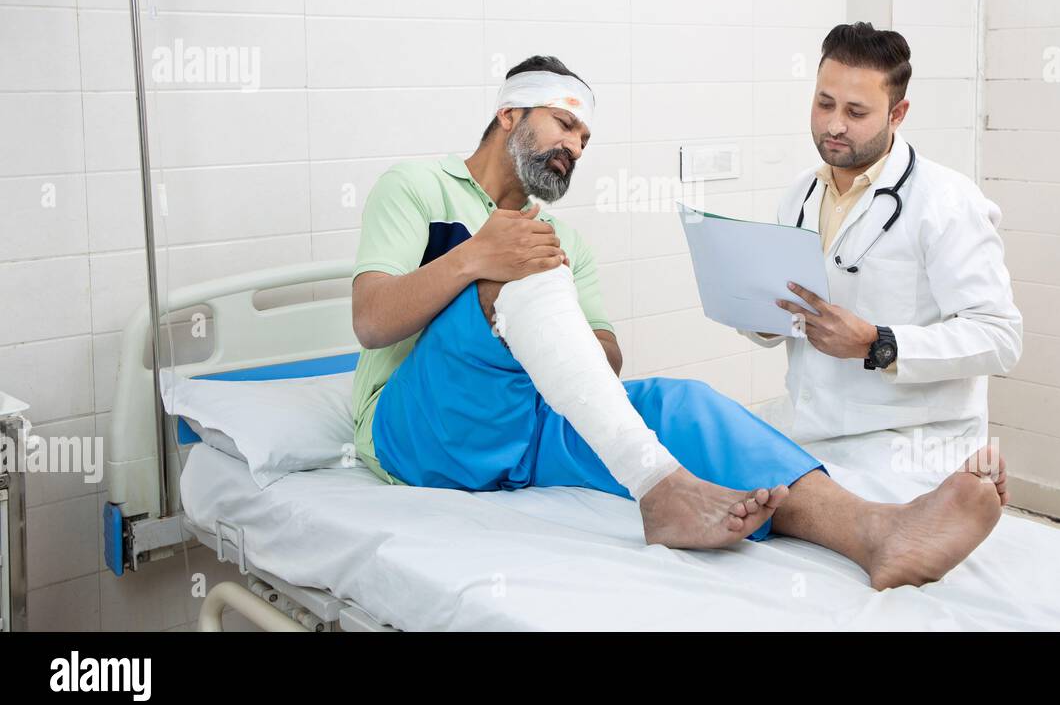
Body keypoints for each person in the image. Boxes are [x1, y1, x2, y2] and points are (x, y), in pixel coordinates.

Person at [349, 54, 1008, 589]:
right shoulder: (415, 186)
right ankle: (658, 489)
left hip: (525, 427)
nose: (573, 147)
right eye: (561, 124)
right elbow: (372, 322)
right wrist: (478, 261)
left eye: (583, 139)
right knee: (512, 260)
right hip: (419, 427)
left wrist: (545, 324)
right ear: (509, 113)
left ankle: (875, 531)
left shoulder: (559, 242)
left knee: (679, 402)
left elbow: (603, 363)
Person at [744, 22, 1023, 489]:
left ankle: (963, 496)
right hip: (814, 429)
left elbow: (1000, 338)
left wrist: (877, 344)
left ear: (898, 113)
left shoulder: (946, 200)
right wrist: (755, 312)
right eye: (824, 103)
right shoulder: (800, 194)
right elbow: (784, 314)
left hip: (911, 443)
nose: (834, 125)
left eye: (856, 111)